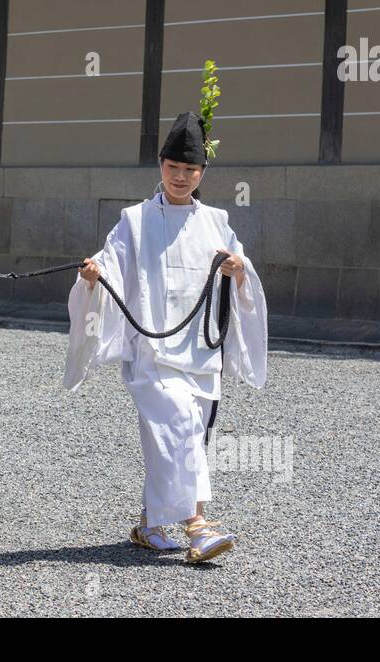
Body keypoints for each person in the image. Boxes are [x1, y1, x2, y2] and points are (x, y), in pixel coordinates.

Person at [63, 111, 268, 564]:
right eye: (173, 168)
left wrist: (238, 272)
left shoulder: (217, 221)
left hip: (201, 351)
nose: (180, 177)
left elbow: (242, 270)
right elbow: (111, 262)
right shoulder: (134, 220)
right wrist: (94, 277)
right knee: (179, 424)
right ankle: (198, 526)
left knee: (181, 436)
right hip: (151, 351)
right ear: (160, 166)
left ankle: (150, 525)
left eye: (190, 170)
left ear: (202, 172)